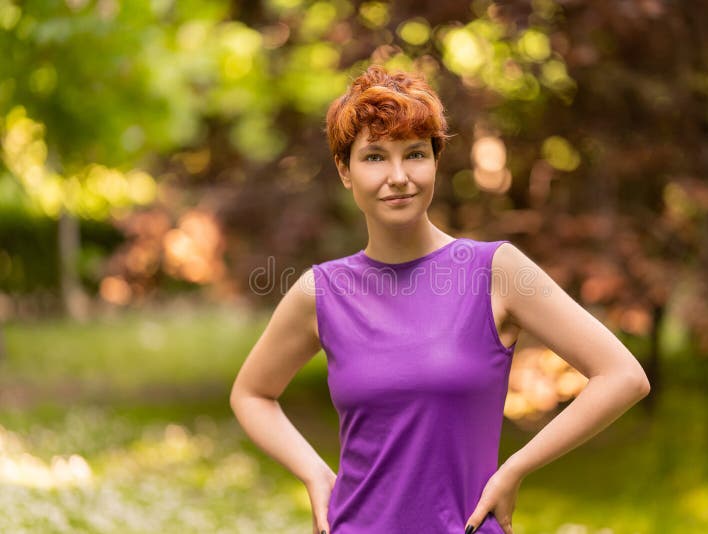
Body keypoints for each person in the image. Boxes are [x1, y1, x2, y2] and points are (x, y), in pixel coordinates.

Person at [229, 64, 651, 534]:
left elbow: (623, 376)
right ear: (345, 170)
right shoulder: (322, 292)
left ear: (435, 160)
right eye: (374, 157)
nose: (398, 177)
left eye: (414, 154)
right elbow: (251, 394)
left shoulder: (495, 271)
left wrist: (514, 469)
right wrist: (314, 474)